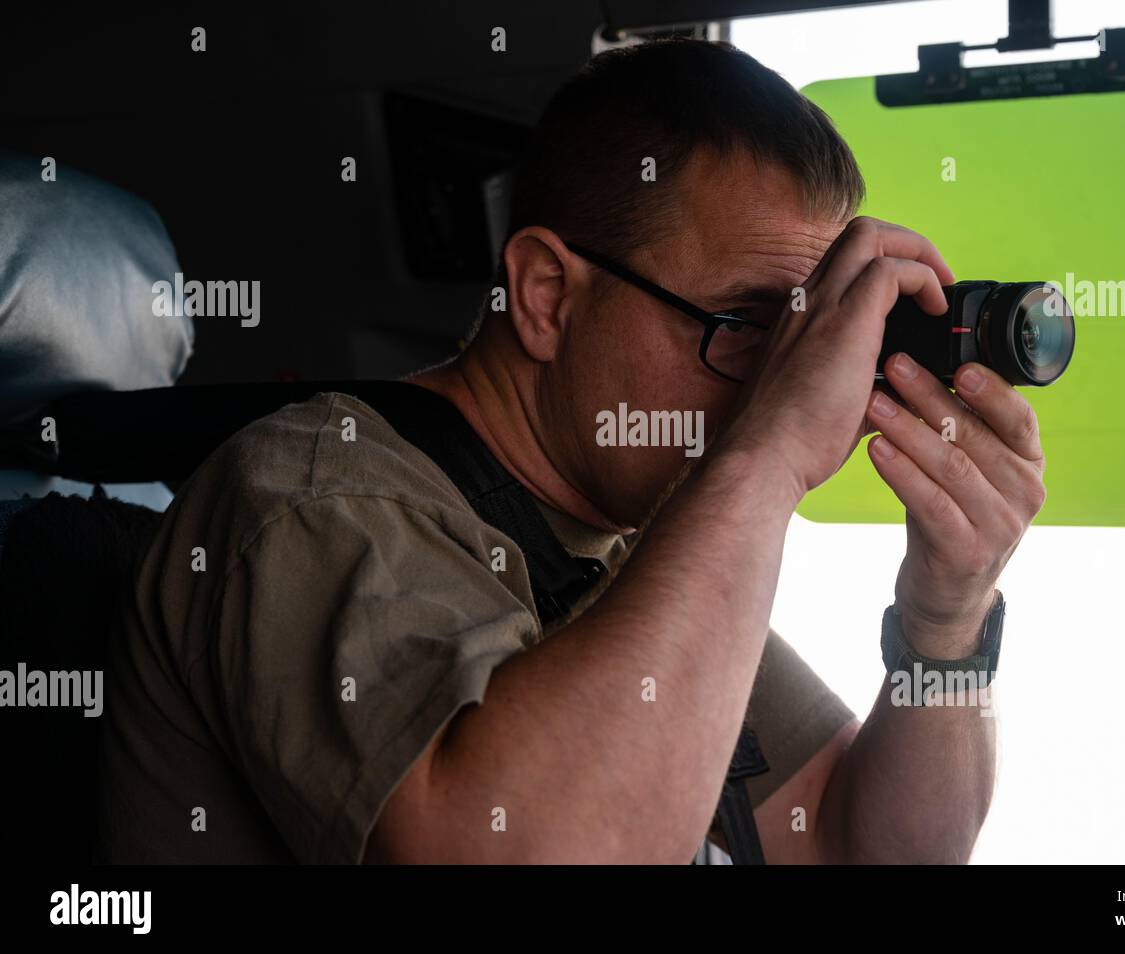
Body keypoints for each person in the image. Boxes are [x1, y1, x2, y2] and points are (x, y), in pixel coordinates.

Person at [94, 38, 1046, 865]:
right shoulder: (310, 498)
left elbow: (853, 847)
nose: (784, 383)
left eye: (805, 338)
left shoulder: (640, 551)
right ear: (547, 295)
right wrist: (765, 461)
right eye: (746, 326)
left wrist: (946, 624)